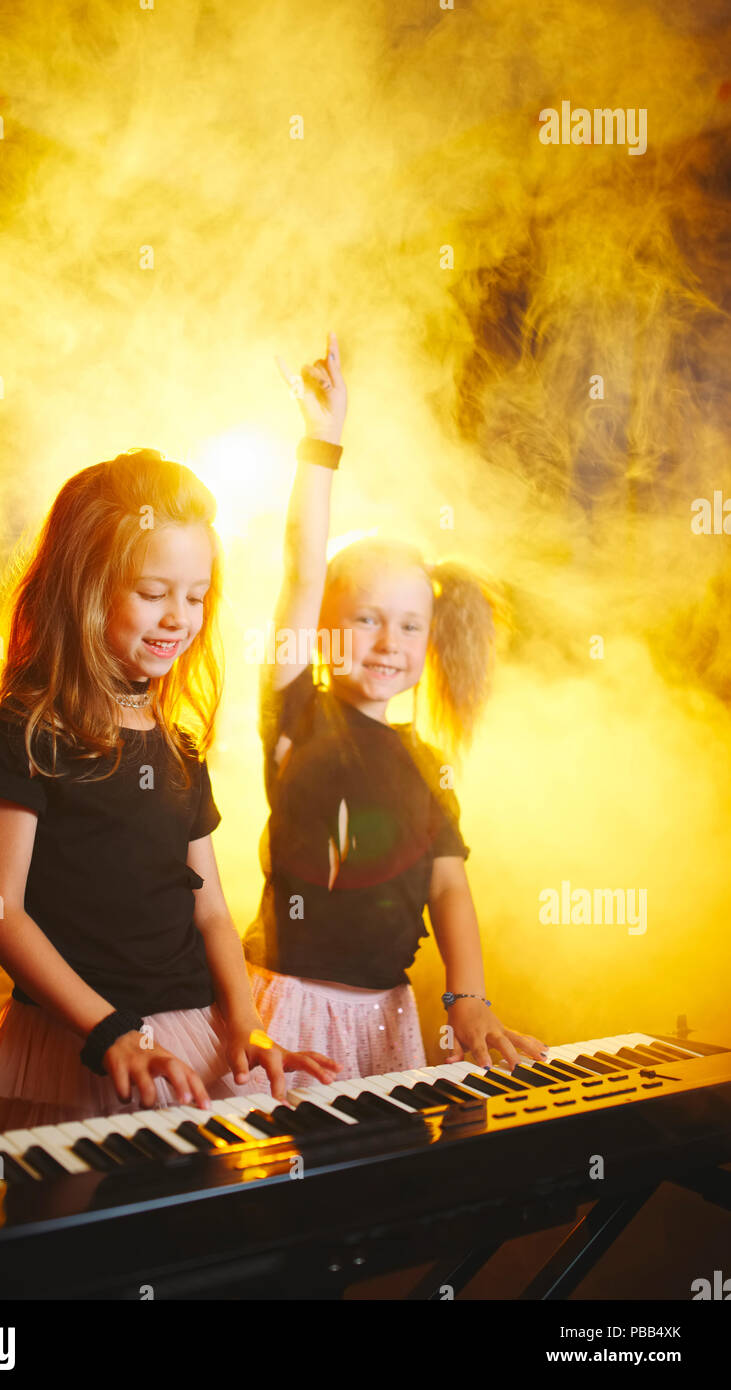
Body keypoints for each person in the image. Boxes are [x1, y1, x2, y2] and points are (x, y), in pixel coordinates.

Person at [0, 447, 339, 1133]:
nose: (179, 617)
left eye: (195, 597)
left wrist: (246, 1024)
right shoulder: (29, 729)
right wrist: (110, 1032)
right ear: (85, 587)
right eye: (152, 591)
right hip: (79, 1039)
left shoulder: (177, 744)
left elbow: (213, 916)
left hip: (191, 1039)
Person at [243, 332, 548, 1088]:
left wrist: (468, 1000)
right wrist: (323, 442)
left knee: (379, 1197)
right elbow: (299, 569)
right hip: (288, 1009)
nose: (387, 642)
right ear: (321, 629)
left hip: (388, 1016)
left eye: (409, 625)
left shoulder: (427, 762)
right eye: (365, 618)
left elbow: (448, 885)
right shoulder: (297, 714)